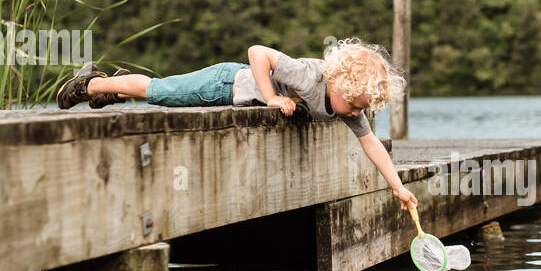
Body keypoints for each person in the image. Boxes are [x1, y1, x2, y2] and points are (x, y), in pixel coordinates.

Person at [56, 38, 417, 209]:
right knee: (159, 91)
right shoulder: (309, 77)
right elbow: (258, 53)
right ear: (339, 84)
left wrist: (397, 187)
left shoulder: (350, 109)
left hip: (231, 94)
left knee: (158, 91)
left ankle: (115, 88)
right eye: (355, 105)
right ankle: (92, 83)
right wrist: (273, 97)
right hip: (223, 86)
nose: (357, 114)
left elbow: (370, 142)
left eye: (362, 109)